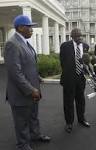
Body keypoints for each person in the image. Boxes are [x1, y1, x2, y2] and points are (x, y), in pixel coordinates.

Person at [4, 15, 51, 150]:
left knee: (33, 117)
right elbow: (15, 73)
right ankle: (23, 145)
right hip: (21, 93)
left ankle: (35, 135)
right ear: (20, 27)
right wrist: (31, 89)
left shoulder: (25, 42)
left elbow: (29, 66)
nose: (32, 30)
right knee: (21, 122)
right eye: (29, 27)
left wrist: (38, 77)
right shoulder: (12, 44)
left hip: (32, 91)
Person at [60, 28, 90, 133]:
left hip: (81, 78)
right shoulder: (65, 46)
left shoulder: (85, 46)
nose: (80, 38)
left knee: (81, 100)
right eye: (77, 36)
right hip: (69, 79)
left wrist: (85, 67)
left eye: (81, 35)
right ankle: (69, 123)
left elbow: (86, 61)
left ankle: (81, 119)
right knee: (68, 101)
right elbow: (62, 63)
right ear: (72, 36)